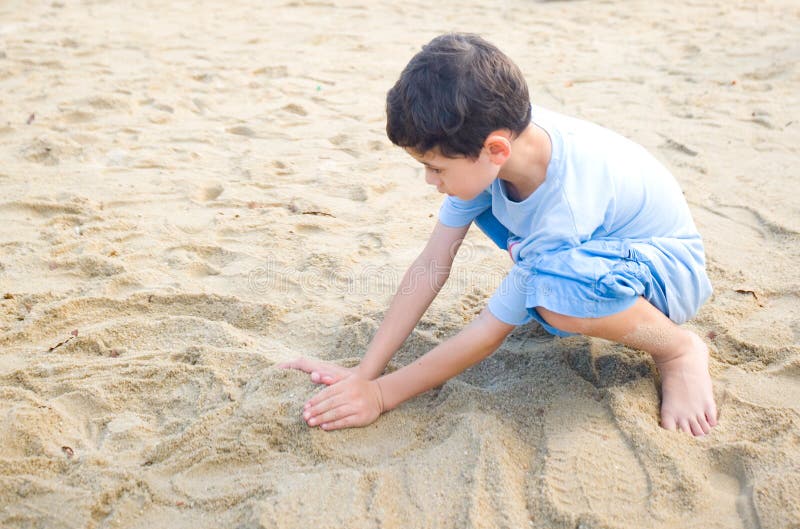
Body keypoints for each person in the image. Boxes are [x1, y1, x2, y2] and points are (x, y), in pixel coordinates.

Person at [280, 33, 718, 436]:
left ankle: (677, 349)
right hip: (601, 250)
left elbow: (490, 330)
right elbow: (433, 263)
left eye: (435, 168)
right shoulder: (495, 143)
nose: (430, 181)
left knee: (550, 296)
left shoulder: (563, 201)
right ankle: (569, 283)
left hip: (666, 273)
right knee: (529, 264)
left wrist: (382, 395)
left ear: (495, 150)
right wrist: (364, 373)